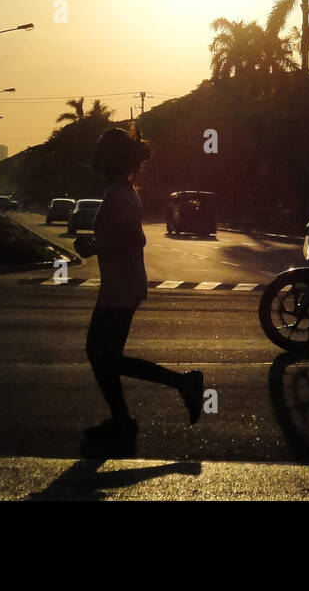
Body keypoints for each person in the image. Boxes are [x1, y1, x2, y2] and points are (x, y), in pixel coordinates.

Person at [83, 127, 204, 447]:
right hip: (120, 284)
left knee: (103, 355)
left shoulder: (119, 195)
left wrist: (96, 246)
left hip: (122, 287)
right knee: (103, 355)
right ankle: (124, 418)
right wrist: (97, 245)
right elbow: (123, 237)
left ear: (108, 158)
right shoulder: (121, 191)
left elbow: (134, 238)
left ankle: (179, 385)